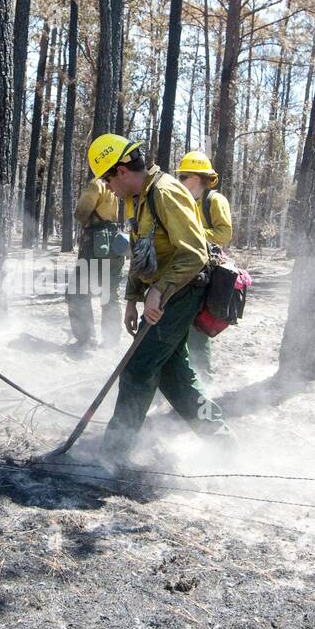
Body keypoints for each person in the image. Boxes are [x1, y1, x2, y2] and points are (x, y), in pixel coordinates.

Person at [86, 134, 232, 460]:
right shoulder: (139, 198)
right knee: (173, 375)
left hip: (182, 291)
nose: (107, 187)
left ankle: (113, 454)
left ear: (123, 171)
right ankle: (221, 441)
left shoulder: (165, 192)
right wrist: (131, 299)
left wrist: (157, 291)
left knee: (138, 369)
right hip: (164, 294)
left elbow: (194, 254)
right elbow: (142, 254)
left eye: (108, 178)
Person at [176, 150, 233, 383]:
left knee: (198, 332)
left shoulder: (214, 201)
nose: (179, 182)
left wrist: (195, 234)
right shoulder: (186, 202)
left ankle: (203, 382)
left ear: (197, 178)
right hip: (187, 272)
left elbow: (224, 233)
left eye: (183, 177)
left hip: (207, 273)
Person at [67, 171, 124, 352]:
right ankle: (112, 340)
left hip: (94, 244)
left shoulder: (96, 184)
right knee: (110, 293)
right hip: (115, 243)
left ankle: (86, 338)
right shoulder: (118, 184)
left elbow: (81, 213)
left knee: (78, 290)